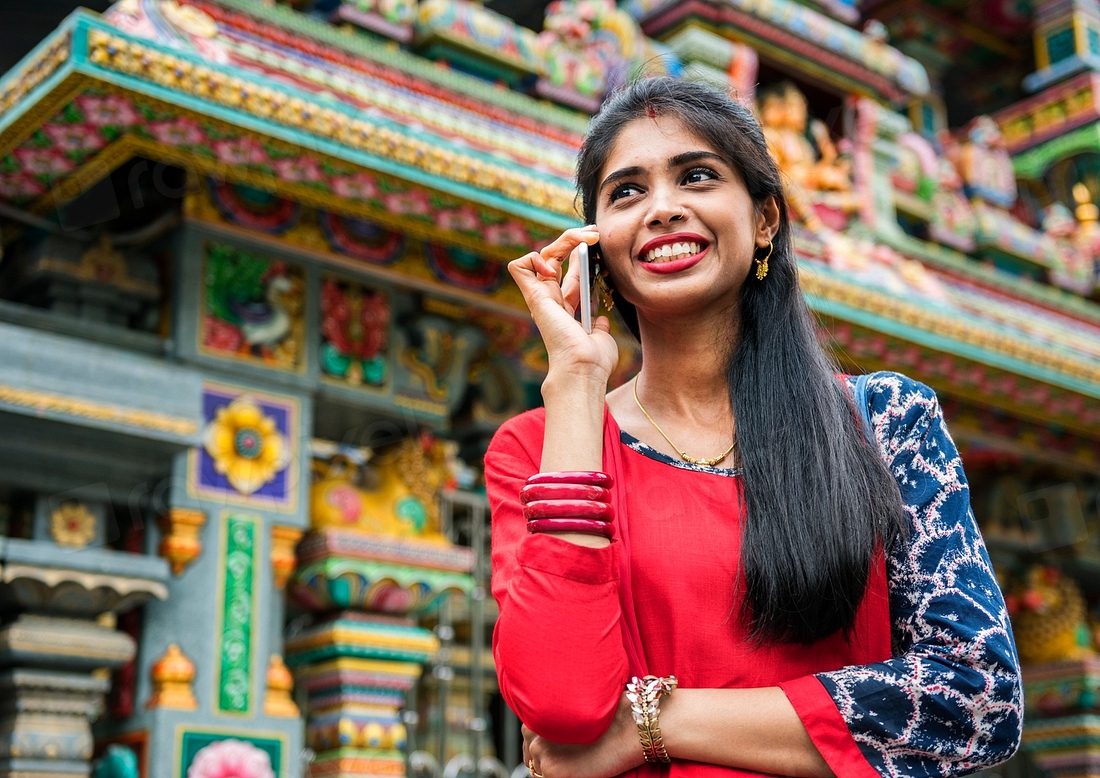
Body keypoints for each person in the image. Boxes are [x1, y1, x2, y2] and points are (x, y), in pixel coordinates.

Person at [485, 77, 1022, 778]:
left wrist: (652, 721)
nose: (663, 209)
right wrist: (579, 381)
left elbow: (976, 700)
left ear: (766, 218)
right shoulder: (537, 447)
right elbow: (561, 705)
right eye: (626, 192)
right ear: (595, 251)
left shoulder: (884, 423)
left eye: (697, 176)